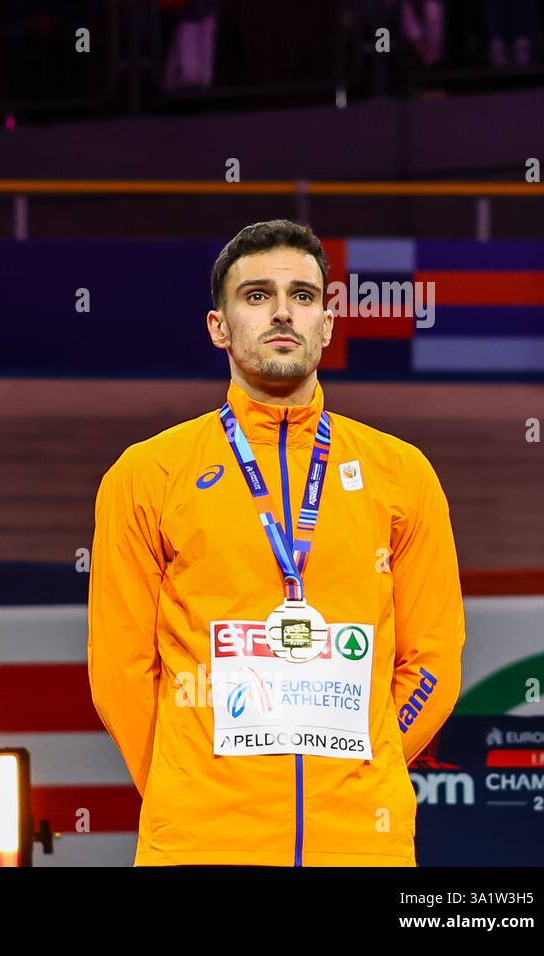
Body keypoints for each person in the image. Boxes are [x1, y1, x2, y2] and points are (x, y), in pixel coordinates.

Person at [87, 219, 464, 866]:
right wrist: (188, 789)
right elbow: (120, 672)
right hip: (201, 842)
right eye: (257, 296)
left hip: (360, 842)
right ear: (219, 327)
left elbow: (433, 659)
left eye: (304, 295)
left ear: (327, 322)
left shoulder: (402, 474)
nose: (283, 311)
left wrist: (366, 757)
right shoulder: (148, 475)